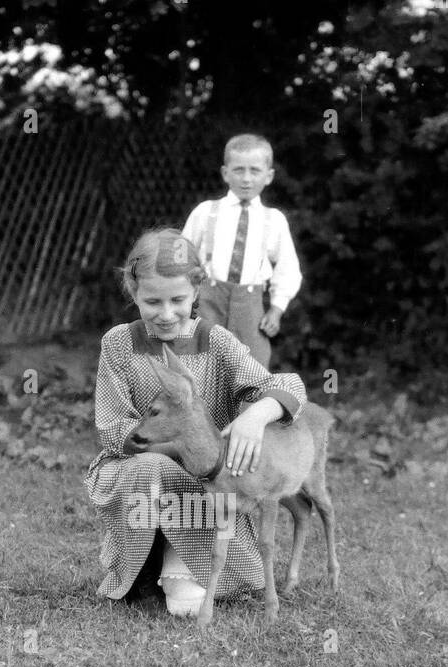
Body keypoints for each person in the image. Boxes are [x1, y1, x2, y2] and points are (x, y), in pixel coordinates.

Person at [85, 227, 306, 616]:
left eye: (178, 300)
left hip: (211, 487)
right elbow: (112, 427)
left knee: (185, 605)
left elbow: (287, 385)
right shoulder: (118, 344)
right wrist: (182, 447)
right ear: (132, 292)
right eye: (152, 301)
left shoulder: (216, 341)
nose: (166, 313)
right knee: (152, 466)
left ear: (197, 291)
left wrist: (258, 414)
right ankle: (144, 560)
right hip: (141, 477)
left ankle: (187, 556)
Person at [181, 133, 302, 368]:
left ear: (269, 176)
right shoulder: (205, 212)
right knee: (197, 365)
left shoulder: (274, 220)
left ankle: (248, 405)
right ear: (226, 173)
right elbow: (181, 258)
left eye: (254, 171)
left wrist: (276, 310)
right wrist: (183, 297)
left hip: (250, 307)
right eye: (239, 170)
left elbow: (288, 269)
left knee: (250, 368)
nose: (246, 179)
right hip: (207, 303)